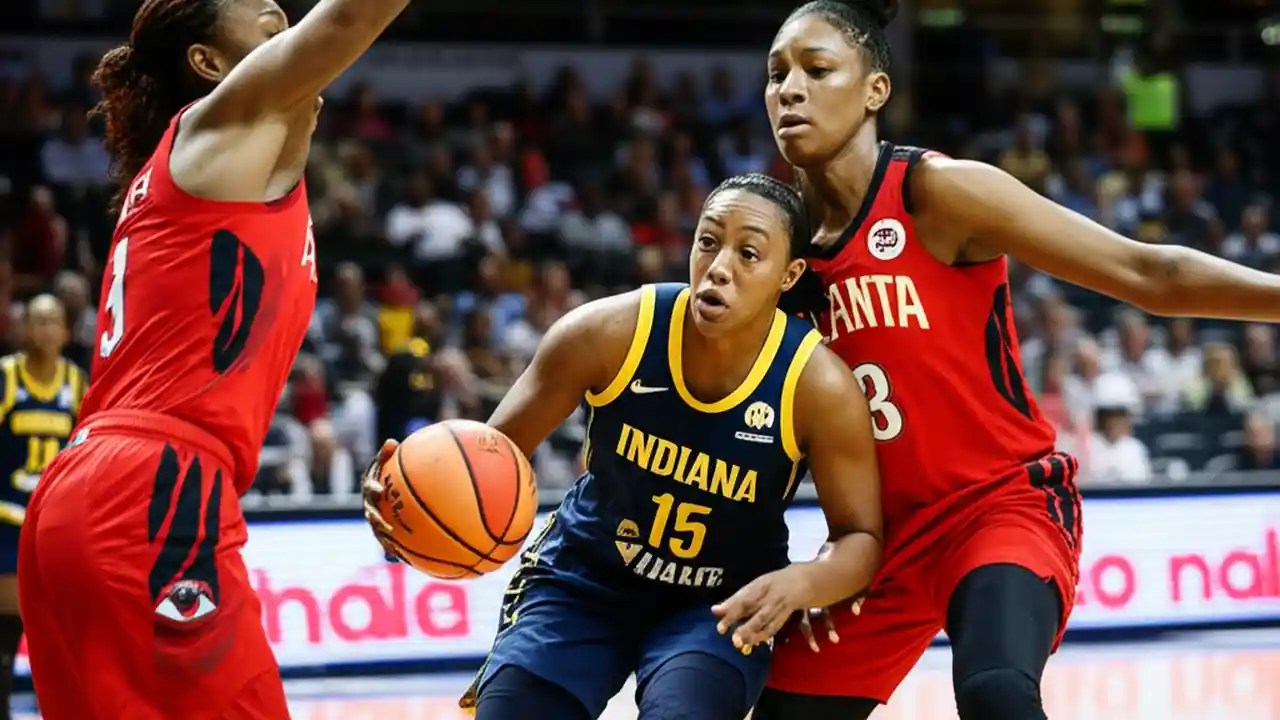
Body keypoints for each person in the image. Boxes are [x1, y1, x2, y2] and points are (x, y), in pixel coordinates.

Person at [755, 2, 1280, 719]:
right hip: (877, 546)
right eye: (777, 73)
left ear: (876, 89)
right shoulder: (776, 255)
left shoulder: (937, 193)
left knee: (996, 692)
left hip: (999, 507)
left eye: (817, 70)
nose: (790, 88)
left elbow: (1148, 274)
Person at [363, 174, 884, 720]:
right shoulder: (608, 333)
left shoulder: (817, 386)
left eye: (749, 253)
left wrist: (801, 581)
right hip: (581, 581)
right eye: (707, 241)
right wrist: (405, 501)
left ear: (789, 273)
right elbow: (490, 458)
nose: (720, 266)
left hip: (716, 605)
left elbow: (860, 539)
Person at [16, 0, 410, 717]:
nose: (275, 5)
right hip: (151, 492)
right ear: (209, 63)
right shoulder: (218, 126)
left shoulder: (214, 169)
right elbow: (351, 18)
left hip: (92, 489)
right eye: (250, 3)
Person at [0, 296, 84, 720]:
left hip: (55, 526)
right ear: (23, 328)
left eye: (54, 321)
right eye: (38, 320)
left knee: (62, 634)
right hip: (6, 523)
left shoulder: (77, 382)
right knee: (6, 633)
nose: (46, 329)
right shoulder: (6, 377)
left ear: (67, 332)